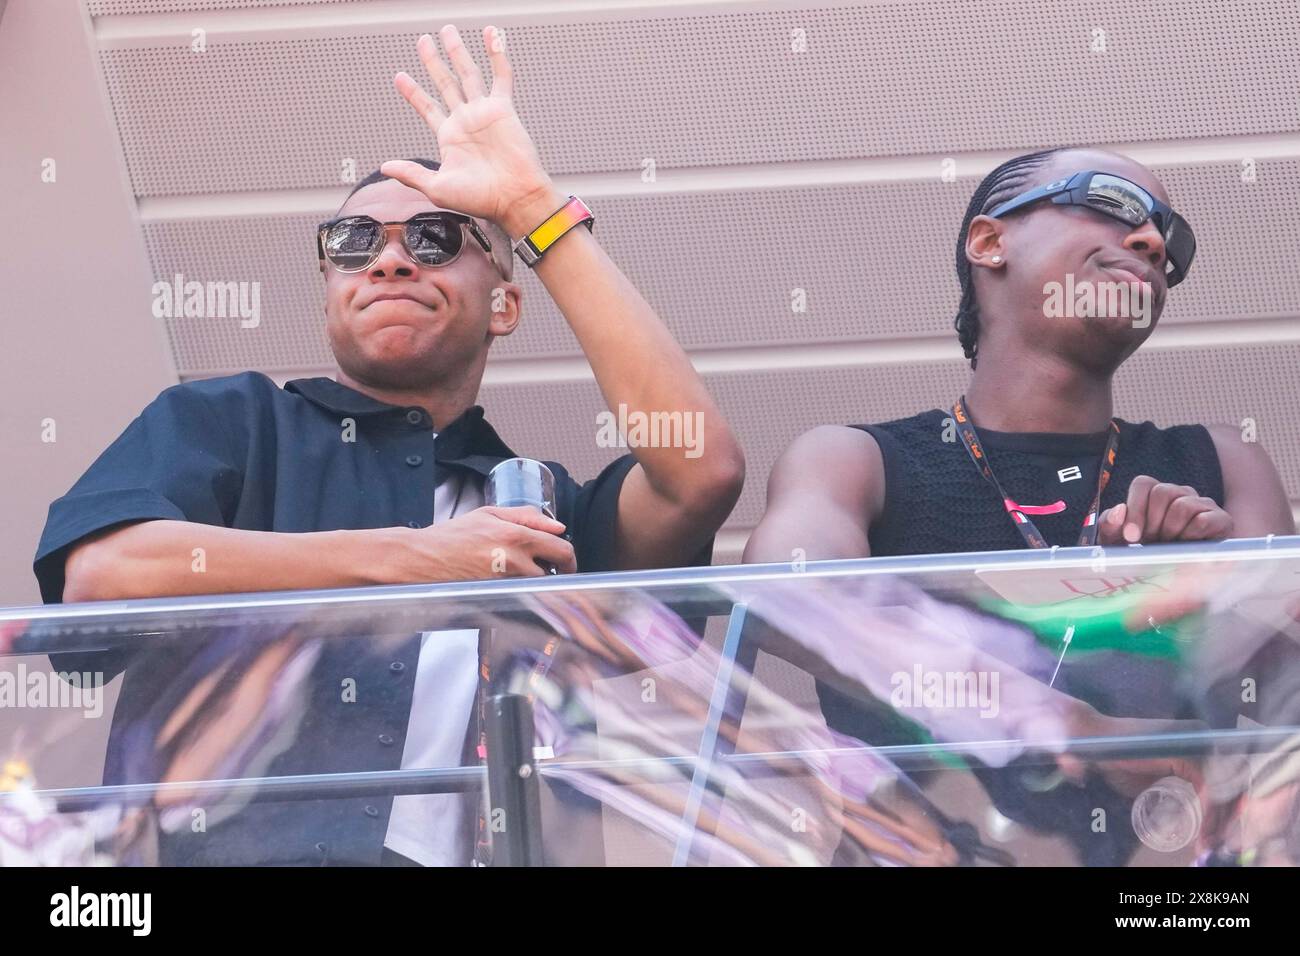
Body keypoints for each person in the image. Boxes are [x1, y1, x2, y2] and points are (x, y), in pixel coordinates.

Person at [32, 24, 743, 866]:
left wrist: (534, 213)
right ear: (331, 290)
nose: (391, 261)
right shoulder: (233, 420)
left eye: (436, 240)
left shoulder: (534, 510)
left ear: (504, 307)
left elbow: (701, 471)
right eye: (354, 244)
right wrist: (419, 557)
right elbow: (102, 578)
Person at [743, 145, 1294, 865]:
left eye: (1171, 241)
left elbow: (1281, 726)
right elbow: (790, 599)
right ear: (989, 240)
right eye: (1113, 204)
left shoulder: (1224, 465)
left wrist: (1195, 608)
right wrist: (1074, 727)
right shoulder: (855, 463)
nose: (1153, 243)